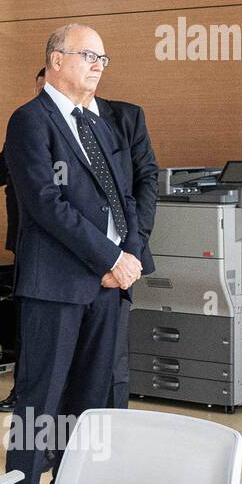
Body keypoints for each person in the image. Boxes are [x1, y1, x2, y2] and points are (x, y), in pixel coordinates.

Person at [1, 24, 143, 484]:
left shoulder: (98, 121)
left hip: (107, 283)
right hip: (56, 284)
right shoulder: (30, 119)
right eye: (89, 55)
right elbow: (45, 203)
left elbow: (123, 196)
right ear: (56, 60)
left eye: (103, 58)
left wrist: (129, 255)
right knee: (40, 399)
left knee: (91, 397)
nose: (99, 66)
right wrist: (106, 256)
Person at [94, 93, 159, 409]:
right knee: (60, 363)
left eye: (98, 59)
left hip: (122, 260)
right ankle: (61, 446)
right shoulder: (37, 120)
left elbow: (145, 181)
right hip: (65, 262)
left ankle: (109, 442)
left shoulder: (126, 117)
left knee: (112, 362)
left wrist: (130, 252)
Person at [0, 67, 45, 413]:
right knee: (25, 318)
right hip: (24, 240)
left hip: (54, 243)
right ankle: (21, 389)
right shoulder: (24, 125)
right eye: (39, 88)